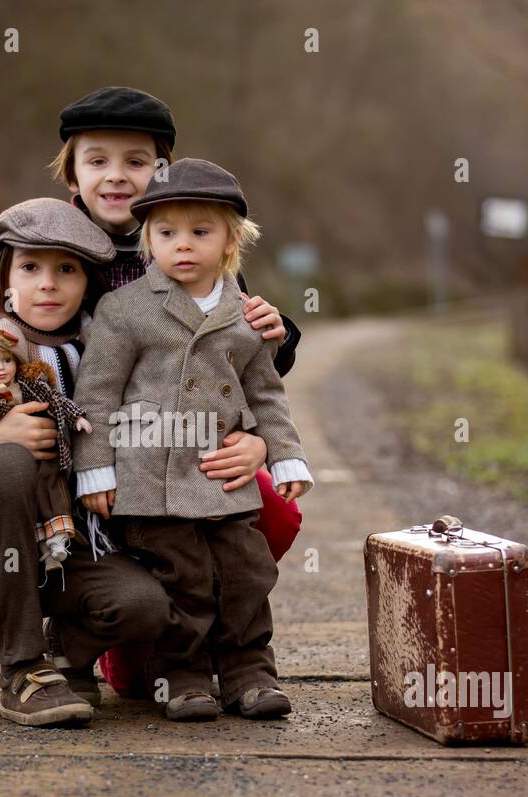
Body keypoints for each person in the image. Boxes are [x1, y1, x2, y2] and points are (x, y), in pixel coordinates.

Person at [0, 87, 304, 699]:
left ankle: (218, 643)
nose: (116, 176)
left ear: (160, 170)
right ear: (72, 174)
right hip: (81, 467)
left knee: (269, 506)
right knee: (135, 591)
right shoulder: (53, 242)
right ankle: (97, 642)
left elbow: (239, 365)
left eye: (136, 162)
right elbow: (11, 316)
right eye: (97, 161)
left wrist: (261, 434)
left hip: (169, 450)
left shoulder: (189, 239)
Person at [0, 197, 185, 727]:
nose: (48, 284)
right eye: (30, 267)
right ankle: (22, 667)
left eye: (67, 270)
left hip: (72, 549)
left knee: (144, 607)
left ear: (88, 284)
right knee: (9, 460)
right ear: (5, 279)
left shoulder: (108, 358)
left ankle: (64, 651)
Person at [73, 158, 312, 721]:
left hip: (220, 475)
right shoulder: (124, 310)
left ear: (231, 241)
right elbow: (98, 395)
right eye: (165, 233)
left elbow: (266, 394)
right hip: (150, 480)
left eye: (200, 233)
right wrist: (95, 470)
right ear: (148, 240)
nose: (182, 246)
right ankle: (181, 676)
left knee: (246, 570)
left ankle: (249, 671)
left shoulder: (244, 314)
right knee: (182, 579)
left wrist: (285, 454)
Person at [0, 317, 91, 573]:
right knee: (18, 484)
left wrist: (76, 416)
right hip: (3, 466)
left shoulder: (29, 386)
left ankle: (57, 539)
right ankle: (34, 547)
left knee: (51, 483)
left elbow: (54, 400)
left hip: (43, 456)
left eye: (7, 360)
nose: (1, 369)